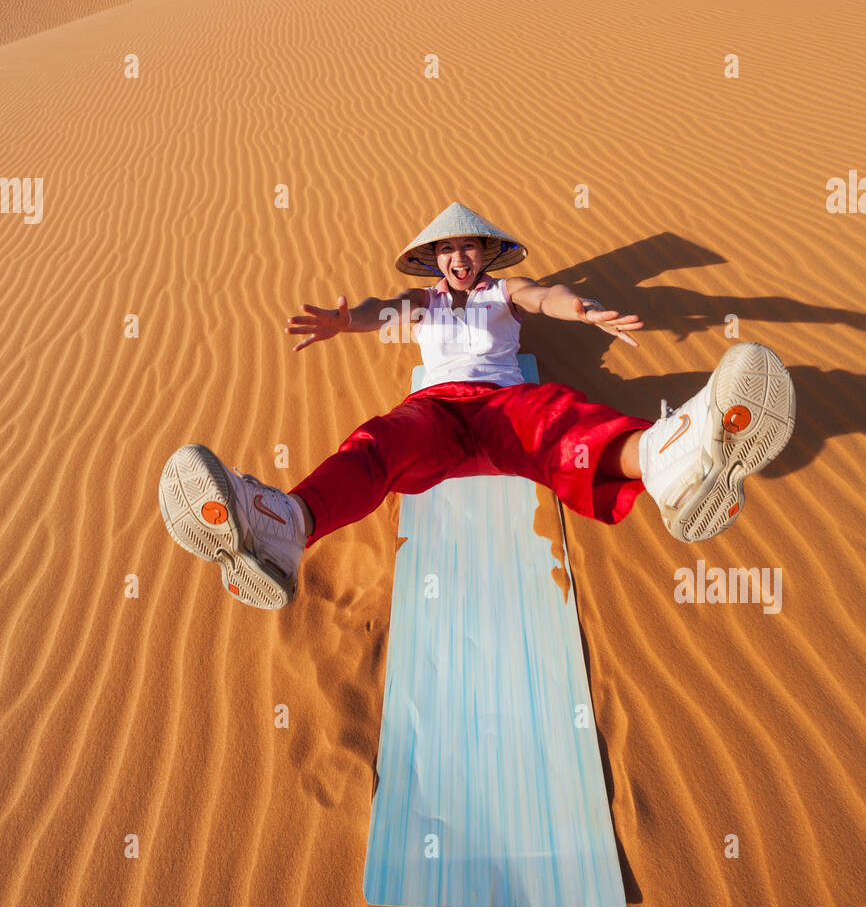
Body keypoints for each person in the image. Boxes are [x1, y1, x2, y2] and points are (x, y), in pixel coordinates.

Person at [158, 202, 796, 610]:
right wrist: (346, 320)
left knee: (559, 422)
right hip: (434, 412)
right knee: (377, 445)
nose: (458, 258)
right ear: (434, 261)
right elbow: (385, 311)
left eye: (468, 249)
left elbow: (547, 297)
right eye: (447, 250)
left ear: (485, 255)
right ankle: (284, 526)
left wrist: (585, 310)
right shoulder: (425, 304)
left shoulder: (503, 292)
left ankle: (668, 459)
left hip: (501, 407)